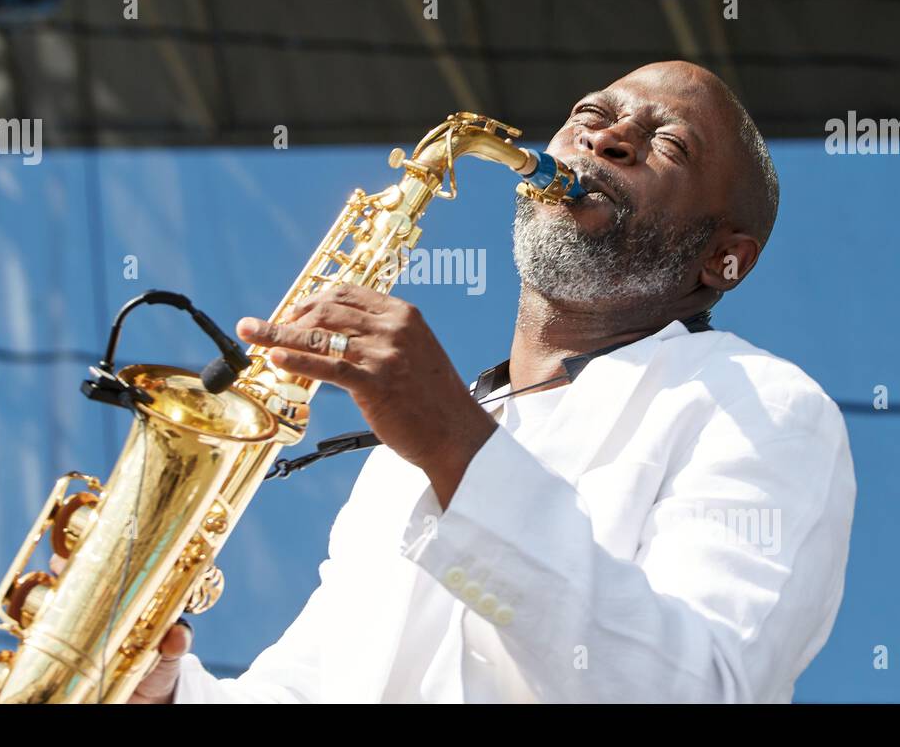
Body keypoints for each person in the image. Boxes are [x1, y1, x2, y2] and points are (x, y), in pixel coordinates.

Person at [129, 60, 856, 703]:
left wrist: (458, 448)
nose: (606, 140)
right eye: (590, 117)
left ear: (725, 260)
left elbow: (699, 689)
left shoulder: (762, 405)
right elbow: (316, 687)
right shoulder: (410, 452)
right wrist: (167, 694)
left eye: (666, 144)